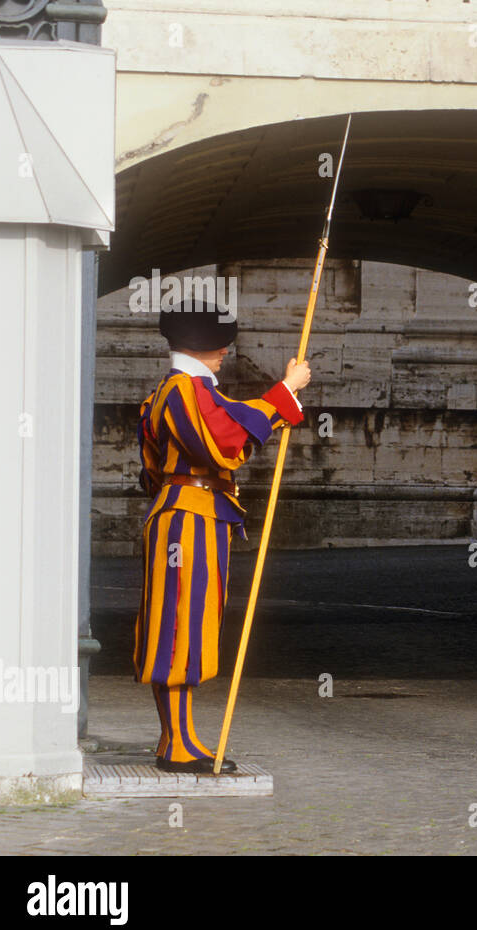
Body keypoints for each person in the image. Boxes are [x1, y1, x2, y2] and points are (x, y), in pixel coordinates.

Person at [133, 298, 311, 773]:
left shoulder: (172, 393)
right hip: (188, 519)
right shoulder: (183, 391)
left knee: (182, 622)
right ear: (207, 347)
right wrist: (285, 392)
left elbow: (228, 418)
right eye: (220, 347)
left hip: (188, 512)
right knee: (180, 625)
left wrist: (282, 398)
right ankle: (177, 744)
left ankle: (177, 737)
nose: (224, 354)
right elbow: (225, 440)